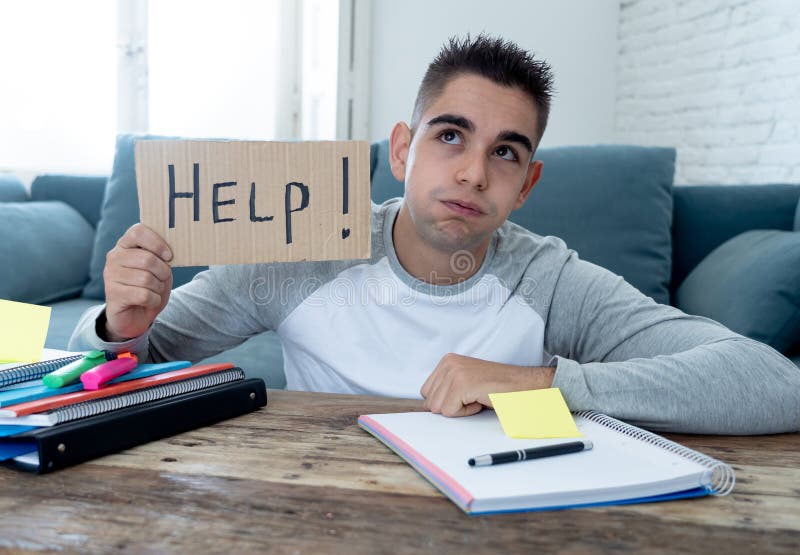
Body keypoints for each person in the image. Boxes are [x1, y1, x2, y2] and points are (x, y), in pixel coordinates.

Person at [70, 34, 800, 435]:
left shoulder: (547, 277)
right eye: (451, 135)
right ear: (400, 150)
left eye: (506, 152)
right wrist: (118, 325)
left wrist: (542, 382)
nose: (475, 173)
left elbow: (775, 385)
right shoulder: (304, 245)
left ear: (528, 184)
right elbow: (105, 373)